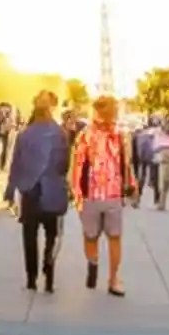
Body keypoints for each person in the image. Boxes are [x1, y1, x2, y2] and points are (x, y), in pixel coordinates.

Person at [69, 95, 136, 297]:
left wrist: (131, 184)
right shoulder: (85, 135)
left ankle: (113, 279)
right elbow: (77, 164)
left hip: (113, 194)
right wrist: (76, 191)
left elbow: (126, 162)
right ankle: (93, 263)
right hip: (90, 194)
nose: (109, 115)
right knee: (91, 236)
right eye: (106, 110)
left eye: (111, 110)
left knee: (114, 236)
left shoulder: (120, 135)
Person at [5, 91, 69, 293]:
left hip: (30, 192)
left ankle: (31, 278)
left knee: (29, 236)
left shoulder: (25, 135)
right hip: (52, 191)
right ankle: (49, 272)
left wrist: (10, 190)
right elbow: (65, 164)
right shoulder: (60, 134)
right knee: (52, 234)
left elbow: (16, 164)